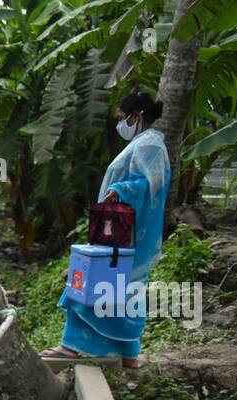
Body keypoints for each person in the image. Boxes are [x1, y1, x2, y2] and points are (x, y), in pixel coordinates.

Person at [42, 91, 171, 369]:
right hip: (125, 235)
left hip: (129, 235)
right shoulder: (144, 143)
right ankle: (127, 354)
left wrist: (120, 189)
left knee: (96, 283)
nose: (120, 124)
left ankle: (72, 347)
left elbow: (151, 185)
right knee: (122, 291)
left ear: (137, 117)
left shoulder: (149, 145)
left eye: (122, 118)